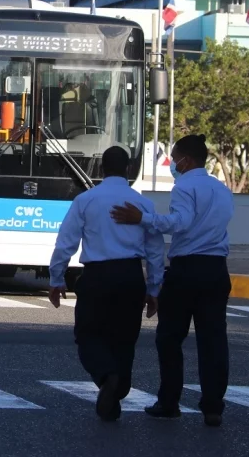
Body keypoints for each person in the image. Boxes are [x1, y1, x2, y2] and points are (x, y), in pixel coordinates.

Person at [111, 134, 234, 428]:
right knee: (213, 341)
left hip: (187, 269)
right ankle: (213, 406)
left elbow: (180, 222)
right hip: (217, 269)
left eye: (174, 158)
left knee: (169, 338)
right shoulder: (221, 189)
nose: (172, 165)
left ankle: (169, 402)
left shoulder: (185, 186)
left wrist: (142, 218)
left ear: (186, 161)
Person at [49, 146, 165, 422]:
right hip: (130, 276)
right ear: (128, 169)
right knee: (124, 338)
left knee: (88, 334)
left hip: (97, 276)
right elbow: (155, 251)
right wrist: (154, 289)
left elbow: (66, 242)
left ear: (102, 169)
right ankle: (118, 390)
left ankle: (106, 377)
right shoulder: (143, 204)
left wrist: (56, 278)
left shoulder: (86, 200)